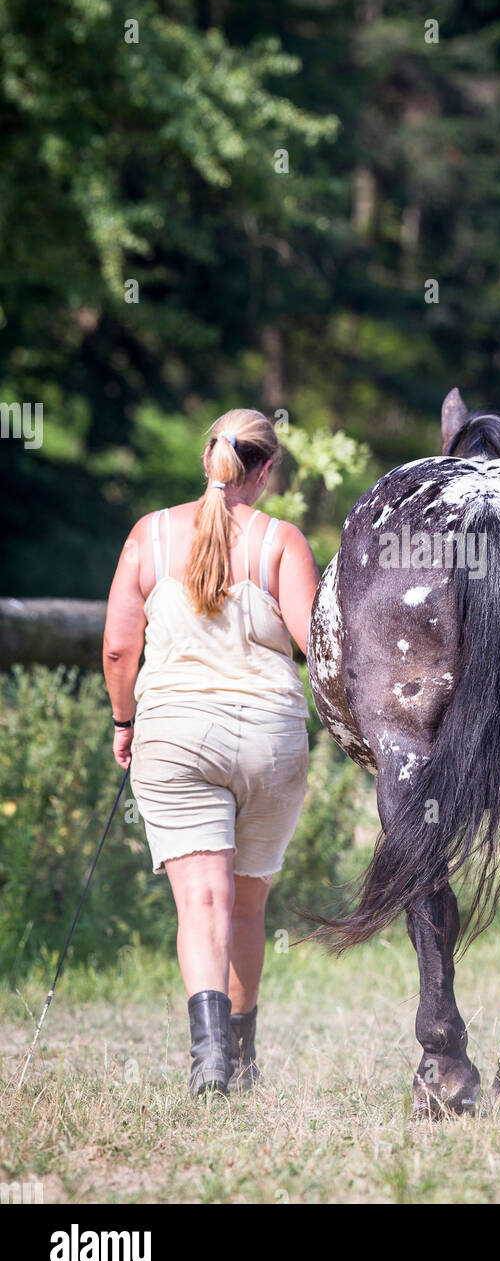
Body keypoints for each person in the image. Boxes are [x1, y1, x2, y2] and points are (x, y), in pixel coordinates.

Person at [103, 409, 319, 1096]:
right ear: (265, 472)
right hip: (271, 740)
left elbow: (117, 648)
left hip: (174, 734)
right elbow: (321, 650)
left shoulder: (149, 534)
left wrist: (123, 720)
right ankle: (243, 1060)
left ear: (207, 460)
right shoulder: (282, 542)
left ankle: (210, 1063)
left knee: (201, 903)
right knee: (248, 908)